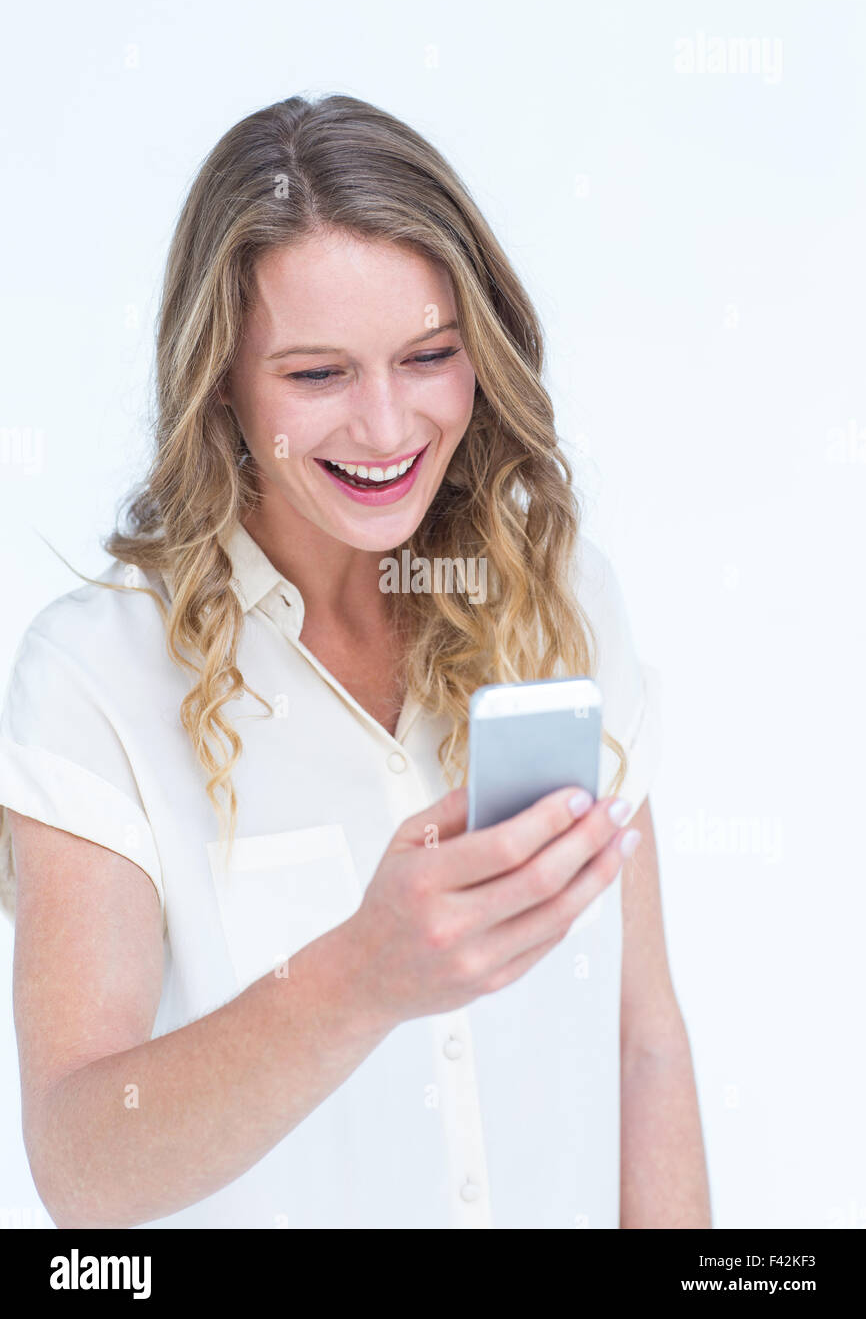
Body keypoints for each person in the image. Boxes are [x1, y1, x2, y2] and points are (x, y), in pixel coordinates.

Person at [0, 93, 710, 1229]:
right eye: (317, 375)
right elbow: (82, 1166)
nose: (385, 429)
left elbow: (643, 1044)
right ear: (220, 383)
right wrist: (360, 975)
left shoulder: (556, 597)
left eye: (428, 356)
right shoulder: (95, 677)